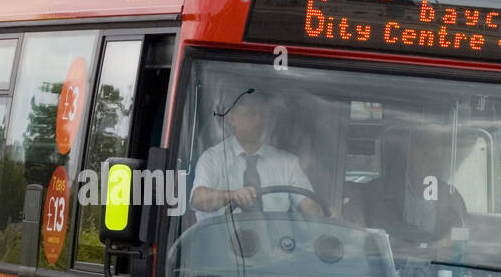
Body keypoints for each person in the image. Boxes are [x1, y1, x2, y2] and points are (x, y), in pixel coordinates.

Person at [190, 91, 324, 219]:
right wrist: (232, 195)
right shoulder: (213, 158)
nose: (259, 120)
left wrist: (326, 214)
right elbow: (198, 199)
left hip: (274, 243)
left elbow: (309, 206)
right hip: (222, 241)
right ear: (232, 118)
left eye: (264, 115)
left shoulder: (288, 163)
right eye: (251, 113)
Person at [354, 126, 466, 250]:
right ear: (407, 151)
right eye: (423, 147)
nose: (430, 156)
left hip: (437, 267)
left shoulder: (452, 199)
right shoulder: (377, 191)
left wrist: (448, 243)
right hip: (386, 266)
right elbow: (357, 235)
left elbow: (462, 243)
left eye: (436, 149)